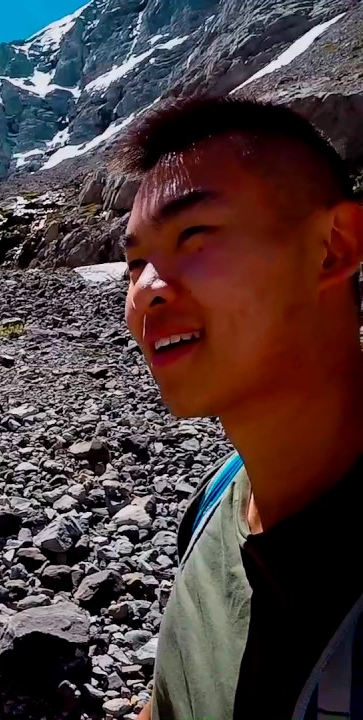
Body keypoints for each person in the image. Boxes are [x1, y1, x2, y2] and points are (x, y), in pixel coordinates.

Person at [119, 97, 363, 720]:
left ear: (333, 246)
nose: (145, 293)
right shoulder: (217, 501)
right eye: (135, 263)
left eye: (193, 235)